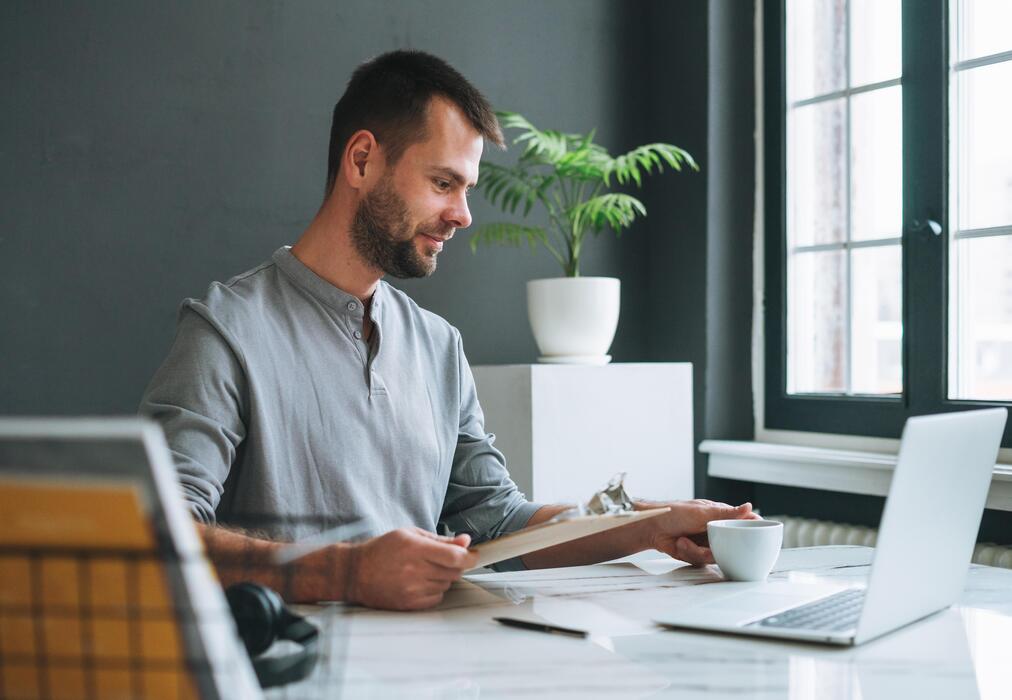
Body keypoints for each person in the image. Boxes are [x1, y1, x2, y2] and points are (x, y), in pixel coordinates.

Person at [140, 49, 756, 611]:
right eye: (443, 183)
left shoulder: (438, 345)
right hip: (292, 669)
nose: (463, 214)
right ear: (362, 160)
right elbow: (159, 535)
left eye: (467, 189)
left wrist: (651, 524)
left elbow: (498, 519)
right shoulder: (224, 330)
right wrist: (349, 573)